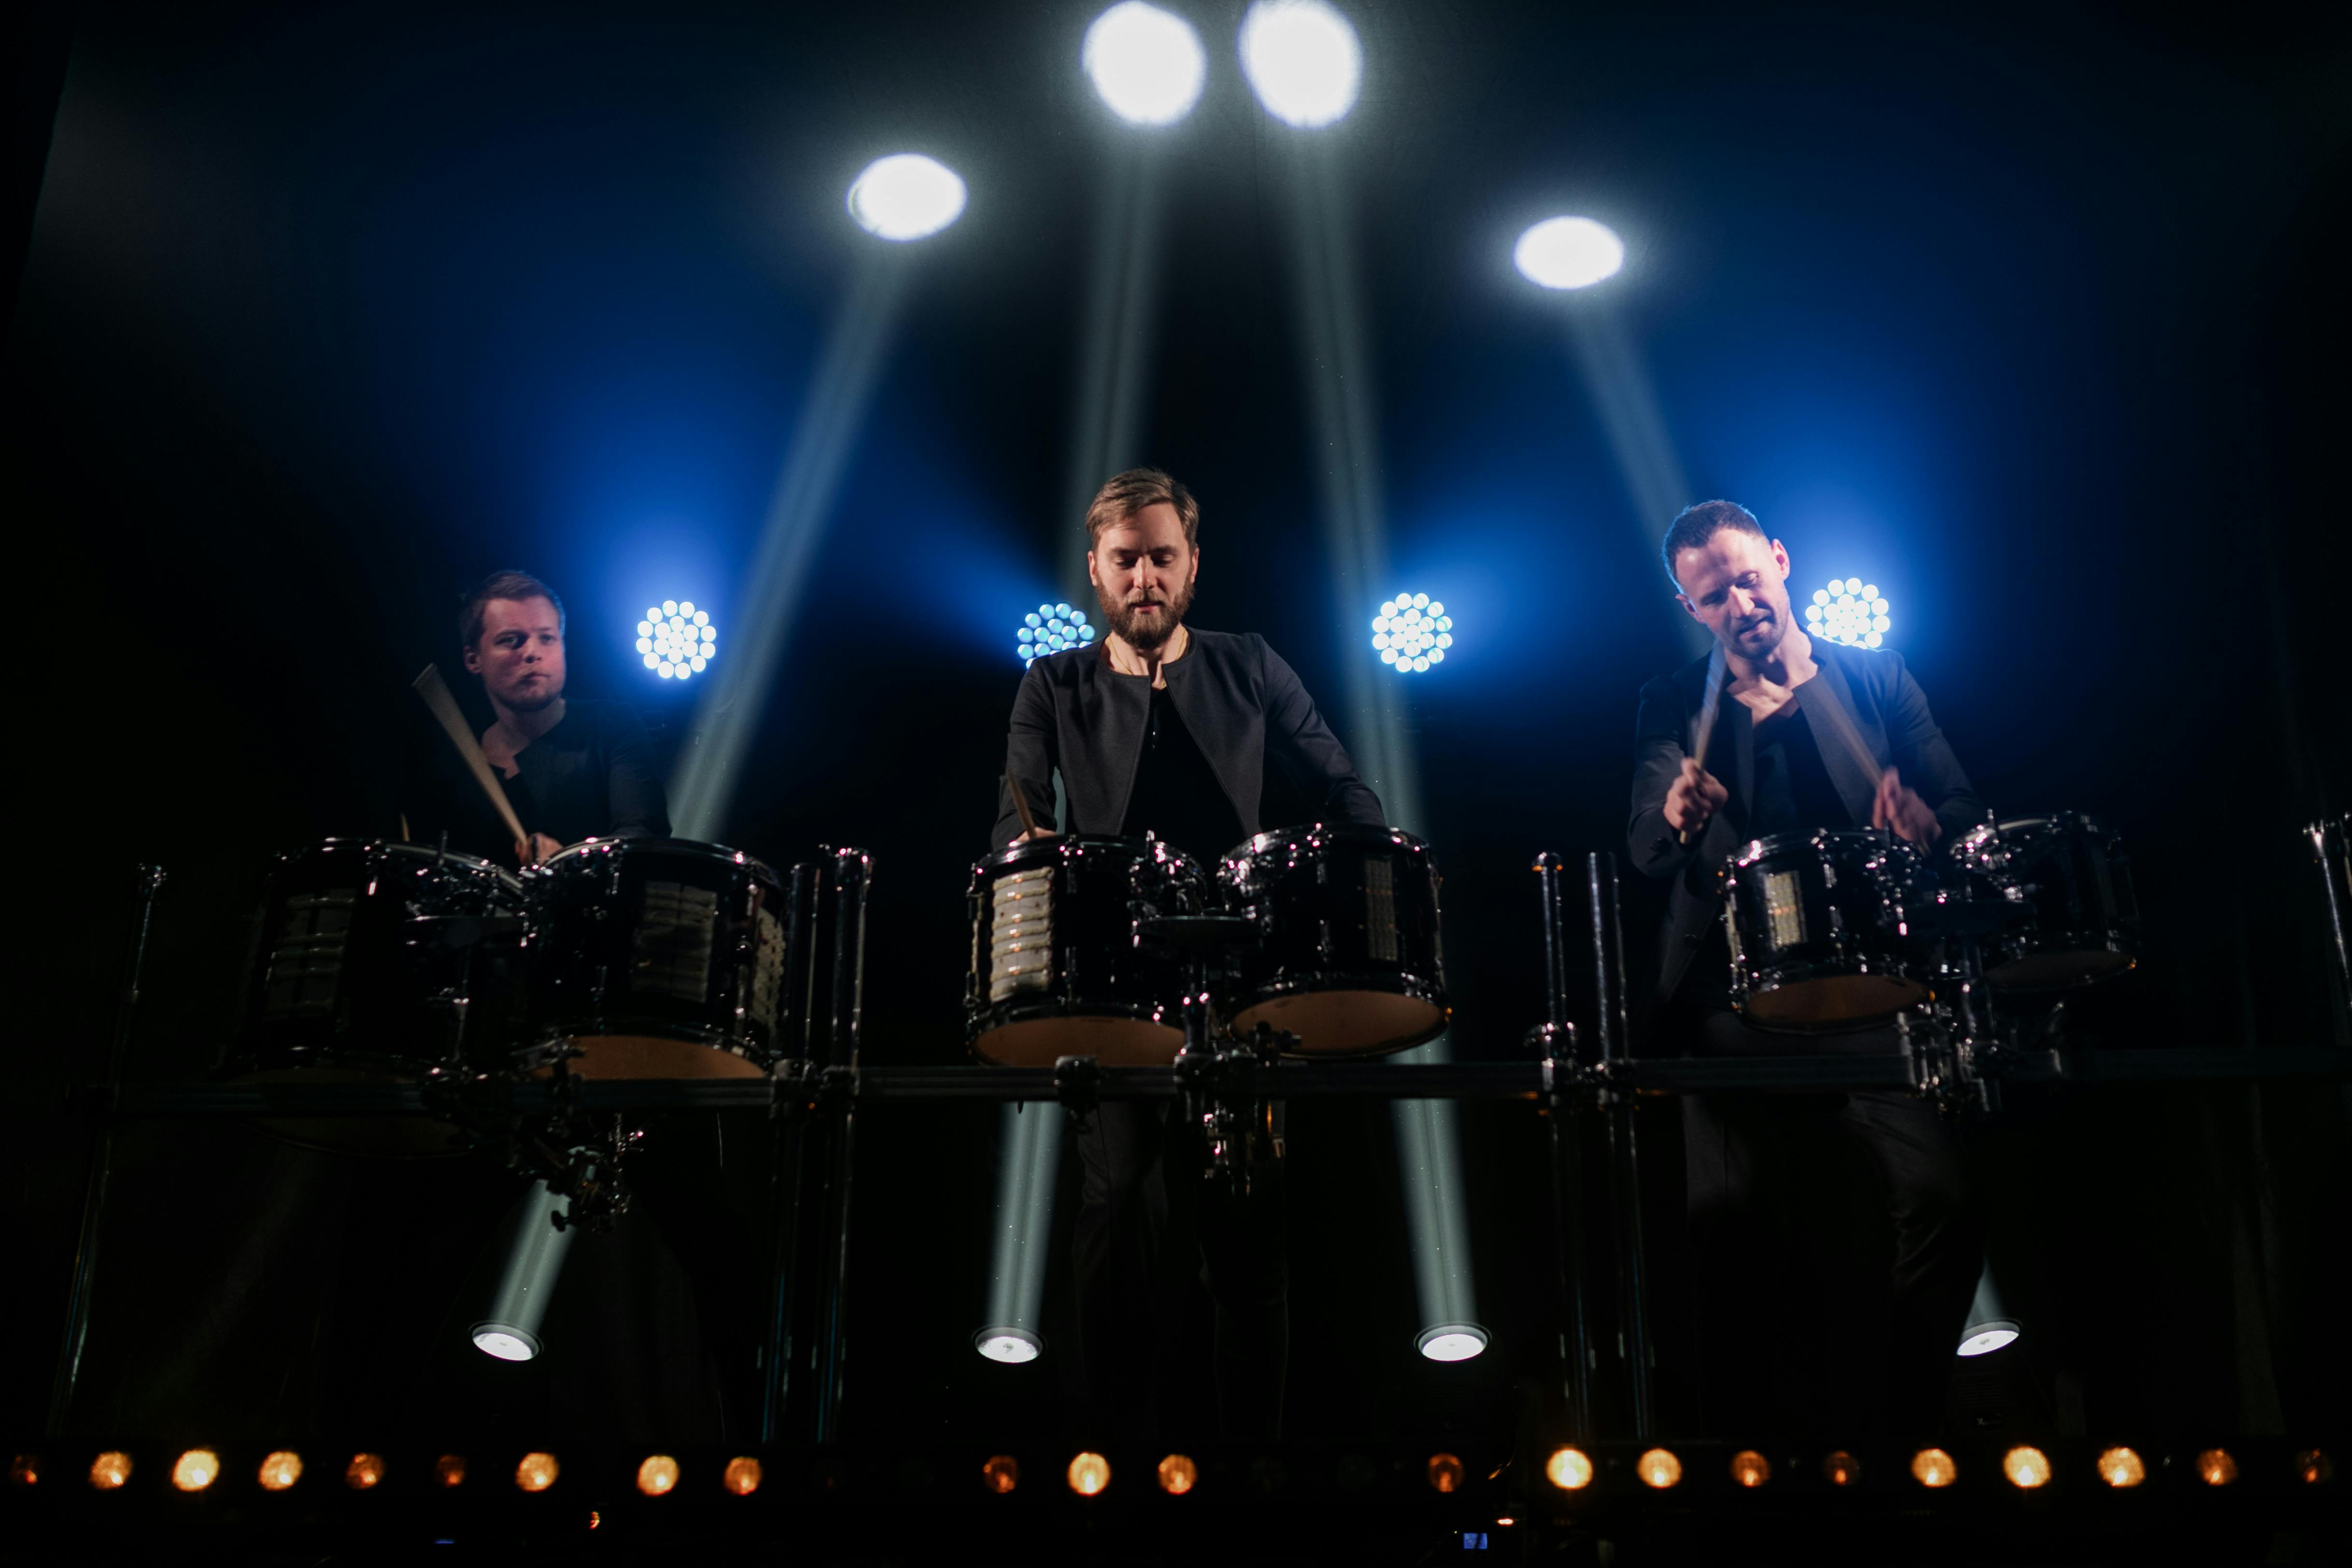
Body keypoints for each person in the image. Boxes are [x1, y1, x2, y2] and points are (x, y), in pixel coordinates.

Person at [991, 468, 1383, 1441]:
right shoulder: (1054, 682)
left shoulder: (1249, 660)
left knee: (1248, 1229)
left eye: (1162, 557)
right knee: (1118, 1209)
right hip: (1115, 983)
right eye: (1124, 560)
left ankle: (1251, 1468)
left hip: (1243, 981)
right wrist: (1032, 861)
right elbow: (1016, 820)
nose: (1144, 577)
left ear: (1192, 565)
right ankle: (1114, 1460)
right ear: (1095, 570)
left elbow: (1343, 783)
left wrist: (1358, 868)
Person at [1626, 500, 1985, 1441]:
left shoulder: (1874, 677)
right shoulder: (1673, 702)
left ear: (1782, 561)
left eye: (1750, 577)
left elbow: (1957, 807)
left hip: (1878, 994)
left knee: (1942, 1204)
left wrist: (1925, 830)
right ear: (1690, 606)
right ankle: (1750, 1462)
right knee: (1729, 1234)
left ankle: (1893, 1423)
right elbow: (1644, 850)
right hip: (1735, 1004)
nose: (1740, 601)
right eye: (1715, 594)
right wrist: (1676, 812)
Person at [404, 569, 669, 864]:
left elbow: (642, 837)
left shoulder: (612, 727)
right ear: (473, 659)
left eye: (547, 638)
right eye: (512, 640)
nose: (532, 652)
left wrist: (570, 863)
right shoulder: (450, 768)